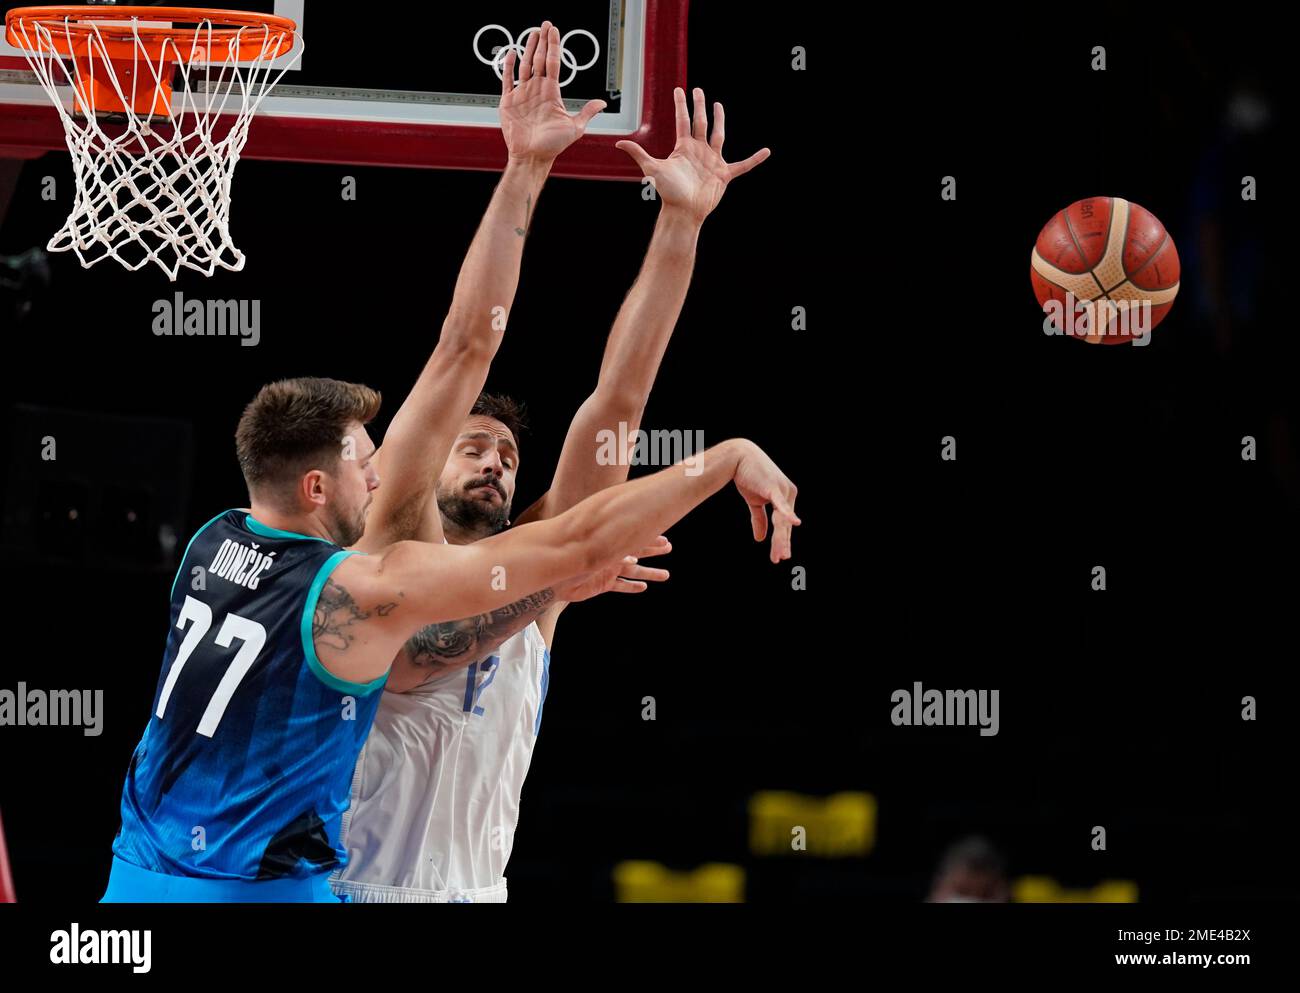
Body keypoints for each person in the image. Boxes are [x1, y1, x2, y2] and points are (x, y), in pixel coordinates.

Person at [333, 85, 770, 903]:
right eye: (473, 445)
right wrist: (527, 166)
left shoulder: (542, 571)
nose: (497, 461)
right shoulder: (385, 543)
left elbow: (620, 401)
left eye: (507, 454)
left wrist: (680, 226)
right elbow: (466, 340)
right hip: (350, 887)